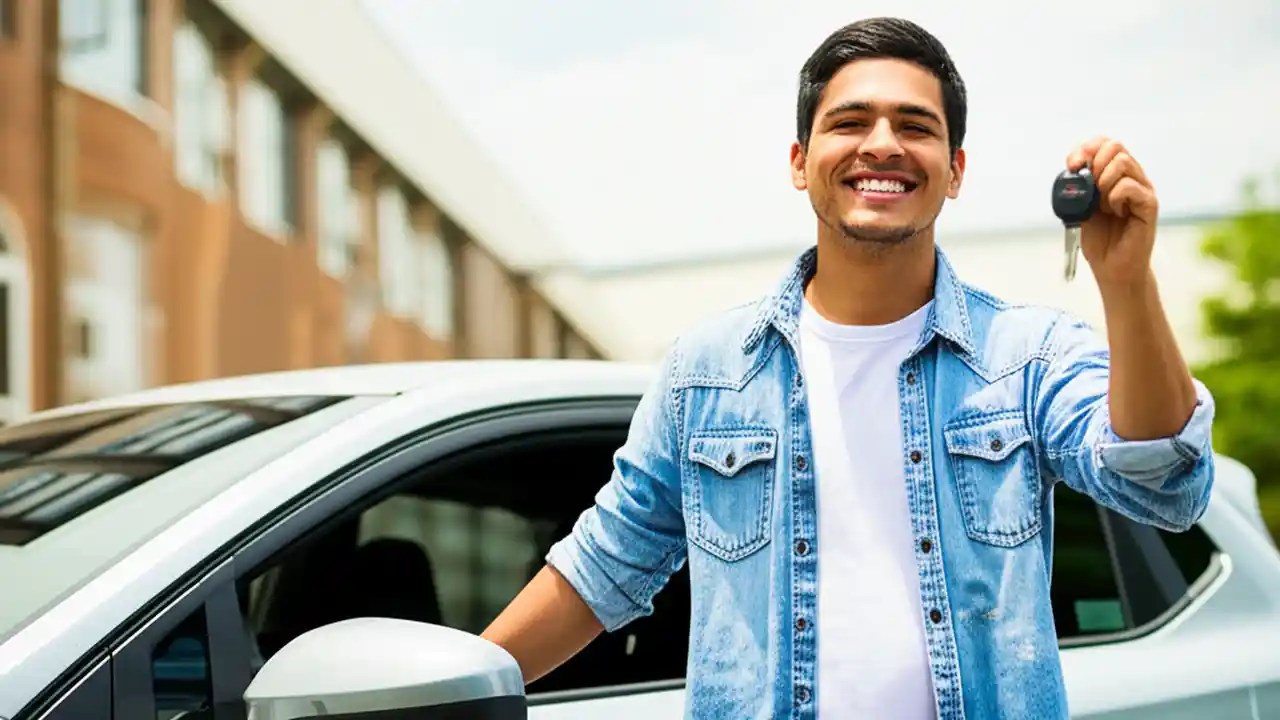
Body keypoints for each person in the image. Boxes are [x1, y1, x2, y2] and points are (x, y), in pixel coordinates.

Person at [481, 16, 1215, 719]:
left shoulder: (1026, 358)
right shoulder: (705, 375)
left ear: (954, 171)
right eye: (850, 122)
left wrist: (1126, 285)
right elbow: (602, 569)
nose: (884, 145)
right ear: (800, 162)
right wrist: (454, 685)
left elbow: (1162, 482)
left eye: (916, 126)